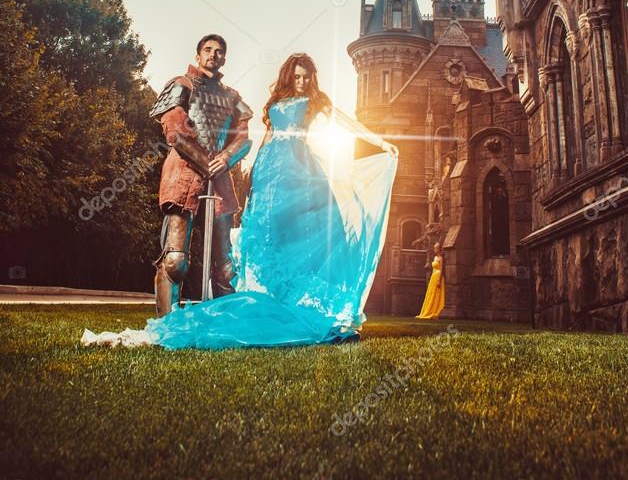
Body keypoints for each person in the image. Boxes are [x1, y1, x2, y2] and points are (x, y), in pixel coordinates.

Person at [81, 52, 398, 350]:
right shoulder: (276, 101)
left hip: (301, 167)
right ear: (289, 76)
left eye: (307, 77)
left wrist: (378, 140)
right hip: (272, 167)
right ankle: (281, 297)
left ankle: (301, 299)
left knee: (315, 230)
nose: (302, 81)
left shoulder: (317, 101)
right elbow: (269, 136)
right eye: (297, 76)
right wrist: (259, 173)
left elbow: (343, 121)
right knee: (271, 237)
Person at [148, 34, 253, 316]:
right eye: (208, 50)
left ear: (224, 58)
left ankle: (223, 323)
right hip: (183, 175)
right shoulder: (182, 85)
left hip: (219, 179)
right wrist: (206, 162)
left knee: (225, 266)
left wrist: (226, 158)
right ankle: (167, 323)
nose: (213, 55)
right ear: (198, 55)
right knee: (175, 260)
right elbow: (176, 132)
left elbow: (243, 138)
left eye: (219, 51)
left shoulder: (232, 97)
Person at [416, 242, 445, 319]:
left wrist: (439, 280)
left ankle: (435, 310)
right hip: (433, 276)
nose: (434, 249)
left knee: (436, 293)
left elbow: (441, 269)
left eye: (435, 248)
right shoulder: (435, 257)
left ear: (438, 249)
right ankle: (429, 309)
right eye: (434, 248)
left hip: (438, 276)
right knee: (431, 293)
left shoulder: (440, 258)